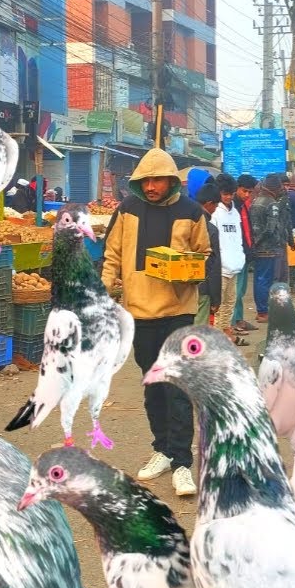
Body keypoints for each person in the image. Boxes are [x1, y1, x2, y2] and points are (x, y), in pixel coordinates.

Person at [100, 148, 210, 495]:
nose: (151, 186)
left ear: (171, 181)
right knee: (153, 386)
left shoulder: (192, 213)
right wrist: (103, 294)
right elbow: (112, 255)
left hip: (178, 310)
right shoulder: (127, 210)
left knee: (177, 387)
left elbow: (203, 255)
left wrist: (187, 271)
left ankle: (182, 463)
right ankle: (161, 449)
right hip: (139, 311)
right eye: (145, 181)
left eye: (157, 179)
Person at [210, 177, 247, 346]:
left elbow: (238, 238)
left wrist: (240, 257)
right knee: (218, 304)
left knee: (230, 302)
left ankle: (226, 332)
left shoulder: (235, 212)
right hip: (221, 266)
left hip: (235, 264)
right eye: (225, 194)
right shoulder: (214, 212)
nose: (228, 197)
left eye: (231, 194)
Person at [250, 173, 292, 322]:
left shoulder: (255, 202)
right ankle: (263, 312)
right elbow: (270, 228)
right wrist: (260, 241)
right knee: (266, 281)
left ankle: (260, 311)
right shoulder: (272, 204)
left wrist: (254, 243)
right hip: (268, 248)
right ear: (275, 189)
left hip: (257, 248)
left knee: (259, 280)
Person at [194, 183, 223, 330]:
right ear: (209, 204)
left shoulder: (183, 221)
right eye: (216, 206)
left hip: (180, 287)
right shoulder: (210, 229)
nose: (215, 210)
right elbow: (213, 267)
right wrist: (216, 299)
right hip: (202, 288)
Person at [231, 174, 257, 333]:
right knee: (235, 291)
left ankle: (239, 319)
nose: (247, 194)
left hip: (244, 252)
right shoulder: (232, 205)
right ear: (237, 188)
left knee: (240, 290)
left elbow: (247, 229)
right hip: (235, 254)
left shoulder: (243, 205)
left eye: (250, 192)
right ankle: (232, 322)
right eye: (244, 191)